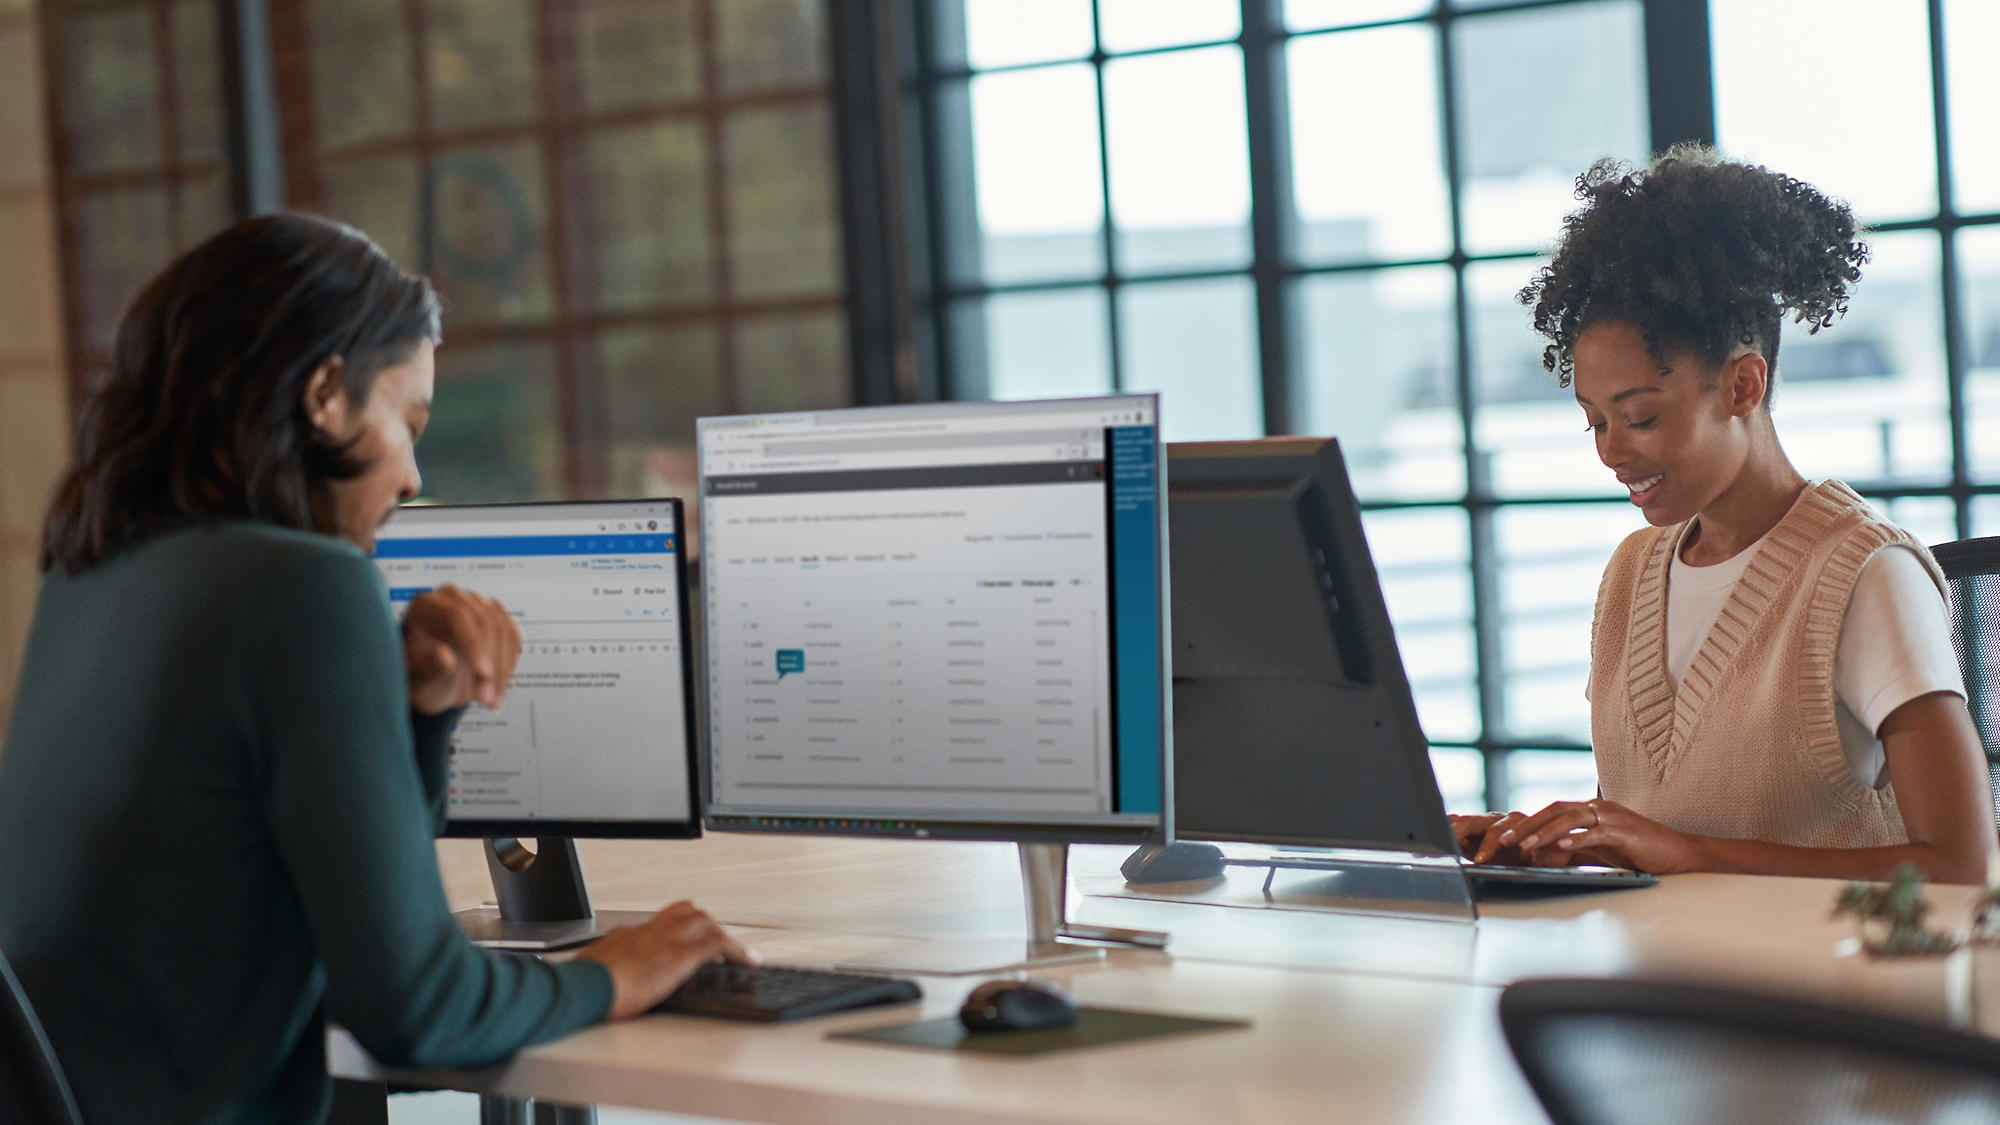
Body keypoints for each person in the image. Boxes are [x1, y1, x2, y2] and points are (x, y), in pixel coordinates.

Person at [0, 214, 753, 1125]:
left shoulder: (89, 570)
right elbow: (416, 1010)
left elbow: (337, 892)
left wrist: (418, 712)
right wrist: (612, 973)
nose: (411, 476)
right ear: (327, 393)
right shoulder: (306, 585)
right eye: (408, 419)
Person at [1452, 146, 1996, 885]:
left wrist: (1693, 857)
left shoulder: (1865, 574)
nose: (1613, 454)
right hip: (1663, 982)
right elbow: (1657, 827)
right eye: (1595, 422)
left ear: (1743, 384)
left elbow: (1965, 865)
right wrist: (1568, 842)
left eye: (1640, 417)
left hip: (1822, 991)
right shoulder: (1631, 575)